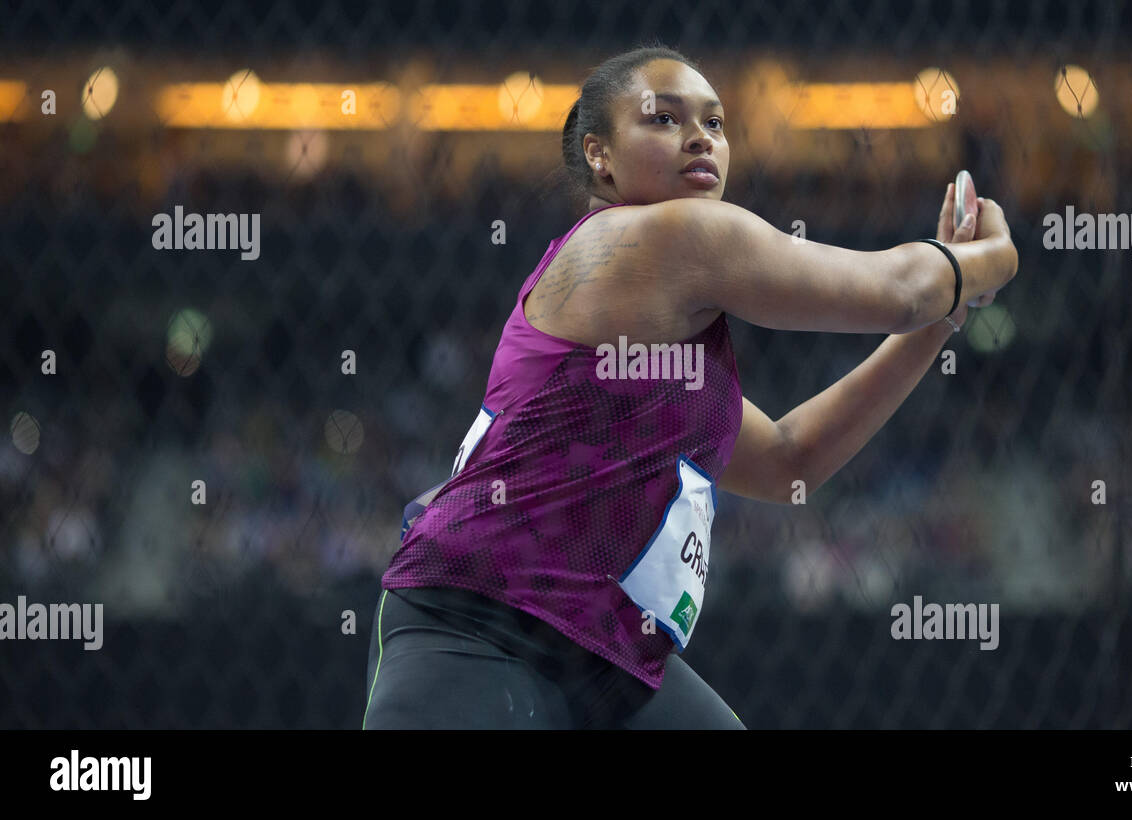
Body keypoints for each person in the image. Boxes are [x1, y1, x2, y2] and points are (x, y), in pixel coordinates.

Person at [363, 44, 1018, 729]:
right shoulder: (660, 239)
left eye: (715, 121)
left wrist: (945, 317)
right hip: (481, 620)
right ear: (600, 155)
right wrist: (994, 258)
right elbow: (901, 290)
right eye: (664, 119)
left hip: (603, 647)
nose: (700, 136)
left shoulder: (667, 336)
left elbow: (791, 459)